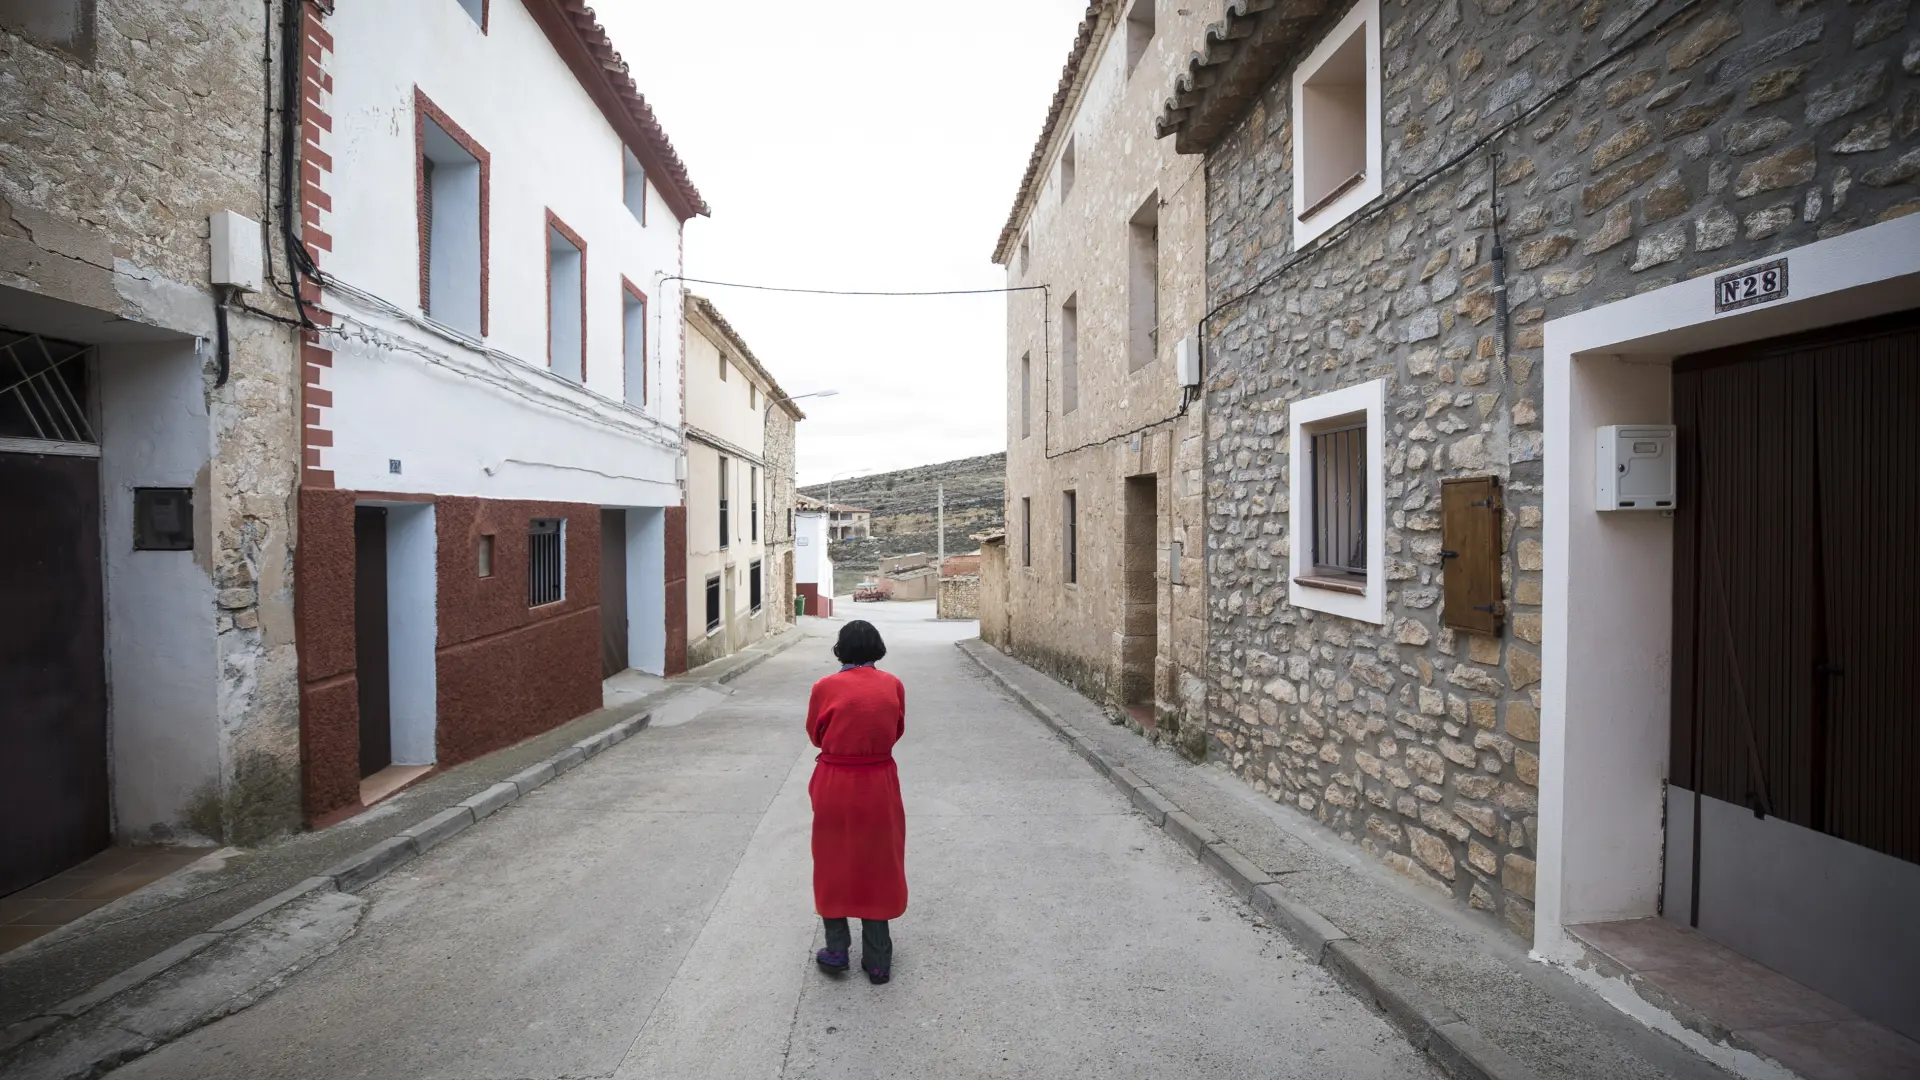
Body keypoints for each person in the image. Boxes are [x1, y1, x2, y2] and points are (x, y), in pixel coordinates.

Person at [806, 619, 907, 984]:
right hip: (879, 782)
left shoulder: (825, 687)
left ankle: (836, 950)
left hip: (835, 782)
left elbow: (816, 735)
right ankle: (878, 959)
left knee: (833, 861)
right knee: (878, 862)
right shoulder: (893, 685)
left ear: (841, 650)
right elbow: (897, 729)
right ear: (877, 648)